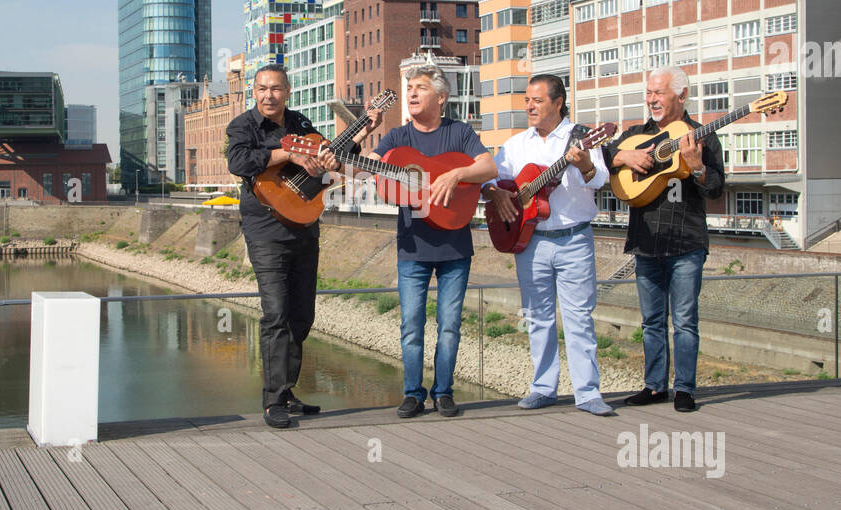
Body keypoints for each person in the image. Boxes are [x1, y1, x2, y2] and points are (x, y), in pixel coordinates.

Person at [224, 65, 355, 428]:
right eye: (262, 89)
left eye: (276, 89)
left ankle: (287, 391)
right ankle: (272, 401)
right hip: (265, 230)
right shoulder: (242, 127)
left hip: (305, 226)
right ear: (254, 92)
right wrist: (288, 155)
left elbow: (328, 161)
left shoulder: (300, 123)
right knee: (276, 313)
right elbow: (239, 162)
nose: (269, 95)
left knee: (302, 314)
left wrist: (339, 151)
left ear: (288, 91)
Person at [366, 64, 497, 419]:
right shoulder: (396, 137)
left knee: (450, 324)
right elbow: (364, 166)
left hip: (455, 246)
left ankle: (443, 392)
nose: (410, 94)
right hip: (412, 248)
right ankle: (412, 393)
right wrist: (352, 143)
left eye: (420, 87)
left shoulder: (460, 133)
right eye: (409, 87)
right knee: (411, 325)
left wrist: (456, 174)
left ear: (441, 97)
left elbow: (489, 168)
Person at [485, 74, 614, 416]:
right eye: (527, 100)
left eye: (537, 101)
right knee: (537, 316)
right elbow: (492, 181)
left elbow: (601, 179)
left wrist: (584, 163)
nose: (529, 106)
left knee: (578, 318)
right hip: (531, 241)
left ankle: (588, 393)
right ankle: (543, 387)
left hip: (574, 239)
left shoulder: (583, 137)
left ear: (558, 103)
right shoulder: (515, 145)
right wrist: (498, 195)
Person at [602, 66, 725, 412]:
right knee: (651, 320)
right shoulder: (635, 135)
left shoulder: (703, 135)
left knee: (685, 320)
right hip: (645, 241)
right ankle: (655, 386)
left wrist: (697, 167)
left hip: (686, 242)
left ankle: (684, 388)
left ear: (681, 96)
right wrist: (623, 155)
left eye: (659, 93)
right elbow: (601, 158)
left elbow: (717, 187)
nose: (651, 99)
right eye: (649, 93)